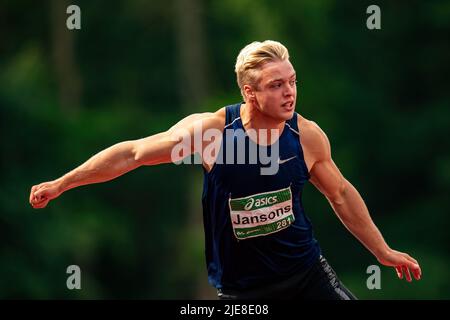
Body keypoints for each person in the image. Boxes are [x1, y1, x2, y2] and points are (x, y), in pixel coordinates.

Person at [29, 40, 421, 300]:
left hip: (307, 278)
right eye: (275, 85)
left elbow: (340, 194)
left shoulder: (306, 137)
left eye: (292, 82)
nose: (289, 93)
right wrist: (64, 183)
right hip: (242, 295)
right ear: (249, 92)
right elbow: (132, 155)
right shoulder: (212, 136)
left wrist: (382, 250)